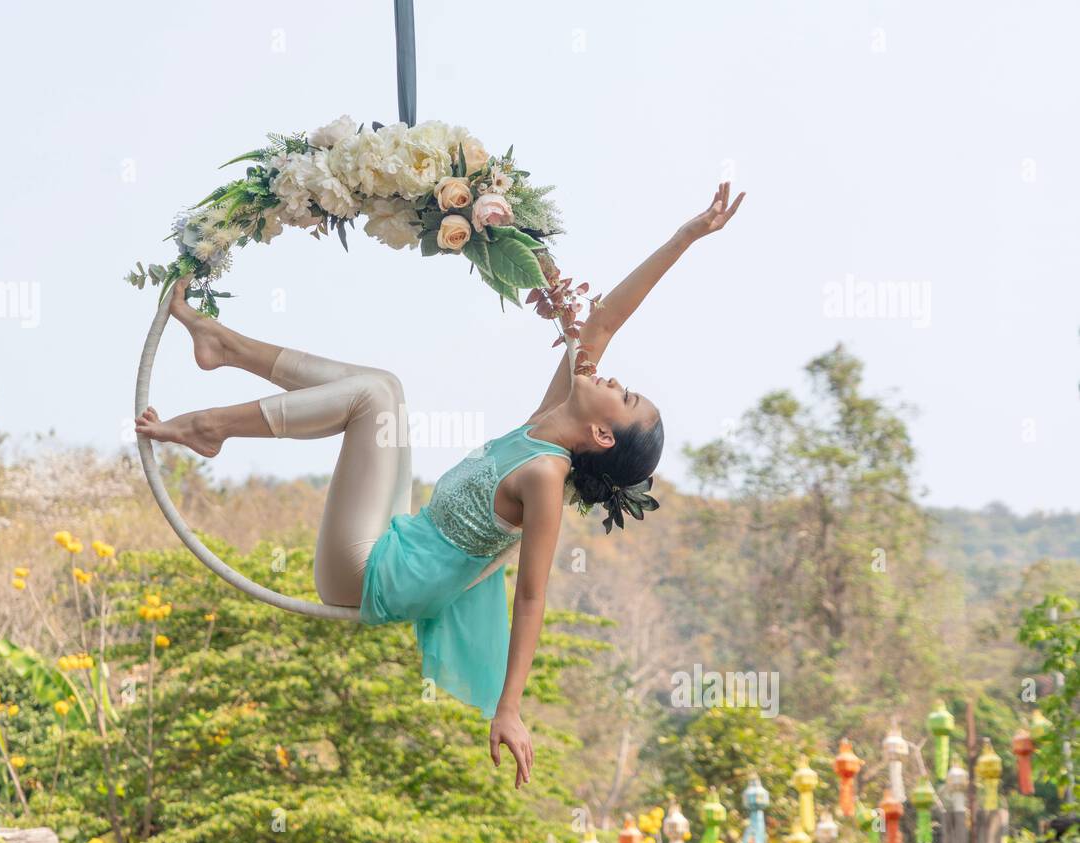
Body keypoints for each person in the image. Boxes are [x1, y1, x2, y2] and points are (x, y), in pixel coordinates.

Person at [137, 182, 744, 787]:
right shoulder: (549, 419)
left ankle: (210, 427)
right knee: (388, 389)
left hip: (370, 571)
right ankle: (224, 344)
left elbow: (530, 596)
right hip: (398, 534)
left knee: (374, 397)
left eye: (625, 397)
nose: (614, 380)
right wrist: (686, 236)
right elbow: (604, 319)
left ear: (604, 436)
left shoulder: (544, 477)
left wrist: (509, 708)